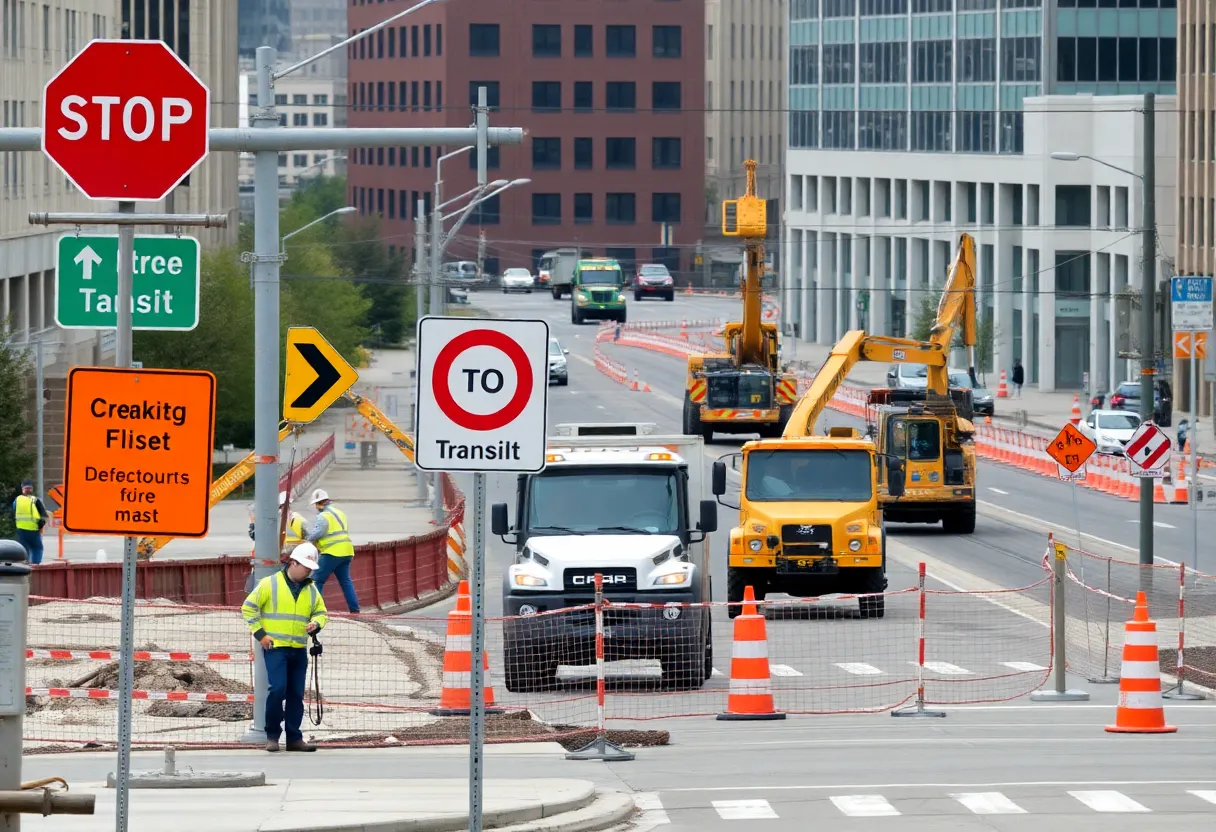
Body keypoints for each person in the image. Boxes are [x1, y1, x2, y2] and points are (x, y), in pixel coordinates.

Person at [242, 543, 328, 753]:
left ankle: (294, 738)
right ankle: (272, 735)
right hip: (276, 647)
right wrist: (261, 635)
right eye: (305, 567)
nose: (308, 571)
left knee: (295, 694)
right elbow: (248, 608)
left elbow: (321, 612)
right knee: (278, 689)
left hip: (298, 648)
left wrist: (316, 623)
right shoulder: (269, 584)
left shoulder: (311, 589)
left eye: (310, 568)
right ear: (293, 563)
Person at [305, 489, 360, 613]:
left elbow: (318, 533)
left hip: (332, 552)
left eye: (316, 504)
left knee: (317, 580)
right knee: (346, 582)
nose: (315, 507)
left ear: (319, 503)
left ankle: (316, 611)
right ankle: (355, 610)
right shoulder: (340, 513)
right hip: (347, 551)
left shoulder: (323, 516)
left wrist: (307, 538)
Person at [12, 480, 49, 565]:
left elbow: (13, 512)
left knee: (24, 548)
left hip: (21, 528)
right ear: (31, 489)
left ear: (22, 489)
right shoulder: (35, 500)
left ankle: (25, 564)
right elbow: (44, 515)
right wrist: (42, 525)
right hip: (33, 529)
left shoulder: (17, 500)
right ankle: (35, 565)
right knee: (37, 548)